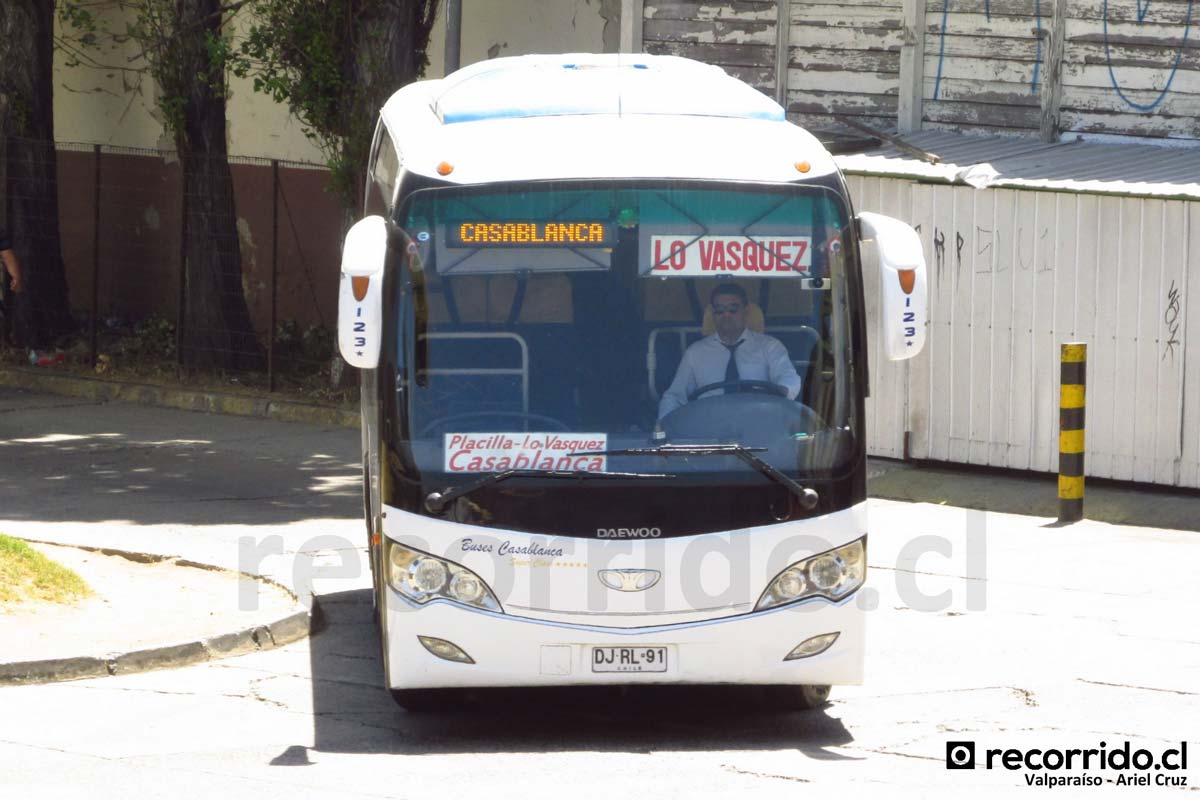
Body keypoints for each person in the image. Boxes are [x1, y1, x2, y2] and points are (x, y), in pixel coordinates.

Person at [658, 282, 802, 418]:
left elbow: (789, 379)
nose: (726, 315)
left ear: (745, 311)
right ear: (713, 315)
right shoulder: (694, 353)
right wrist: (663, 428)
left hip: (757, 421)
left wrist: (779, 392)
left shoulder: (770, 346)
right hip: (708, 426)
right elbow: (675, 396)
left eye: (733, 309)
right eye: (719, 310)